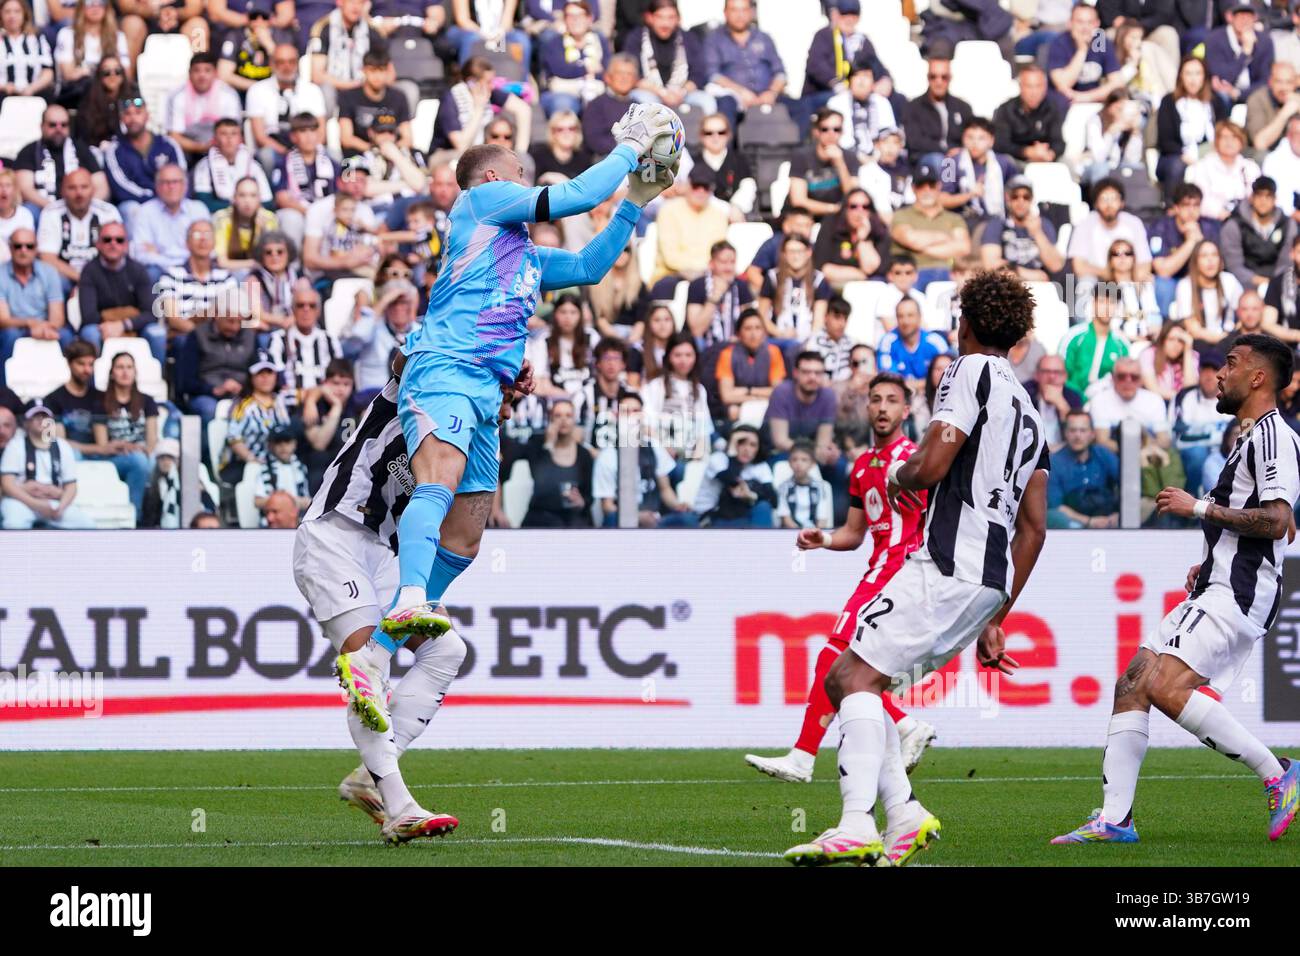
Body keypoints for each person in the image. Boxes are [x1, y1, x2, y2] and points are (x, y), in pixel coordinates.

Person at [374, 105, 680, 646]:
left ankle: (378, 652)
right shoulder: (478, 201)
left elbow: (589, 267)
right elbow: (573, 198)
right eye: (520, 170)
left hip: (487, 391)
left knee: (467, 535)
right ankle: (407, 599)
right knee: (438, 482)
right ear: (494, 176)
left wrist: (633, 201)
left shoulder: (528, 256)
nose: (526, 179)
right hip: (446, 367)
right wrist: (629, 147)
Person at [784, 269, 1048, 867]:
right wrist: (998, 614)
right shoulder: (1030, 412)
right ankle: (903, 815)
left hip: (947, 559)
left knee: (848, 679)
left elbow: (928, 466)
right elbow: (1035, 528)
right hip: (987, 581)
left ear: (973, 325)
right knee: (858, 679)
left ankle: (856, 823)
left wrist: (895, 474)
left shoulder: (968, 370)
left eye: (958, 319)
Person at [1055, 333, 1300, 846]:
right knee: (1133, 684)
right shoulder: (1250, 438)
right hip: (1218, 580)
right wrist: (1208, 556)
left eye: (1230, 365)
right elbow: (1278, 520)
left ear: (1258, 377)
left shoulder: (1275, 437)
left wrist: (1201, 508)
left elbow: (1278, 521)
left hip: (1236, 591)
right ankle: (1115, 820)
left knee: (1165, 686)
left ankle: (1278, 772)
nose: (1219, 374)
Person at [745, 373, 932, 794]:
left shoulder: (916, 460)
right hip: (876, 567)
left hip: (900, 569)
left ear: (906, 410)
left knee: (833, 657)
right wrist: (824, 539)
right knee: (850, 670)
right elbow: (854, 532)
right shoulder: (862, 465)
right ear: (866, 408)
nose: (882, 408)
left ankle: (805, 755)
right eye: (876, 400)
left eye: (892, 401)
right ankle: (904, 730)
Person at [76, 220, 164, 362]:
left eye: (119, 240)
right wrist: (116, 323)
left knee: (157, 333)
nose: (113, 243)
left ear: (126, 245)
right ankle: (91, 383)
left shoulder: (138, 270)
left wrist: (123, 325)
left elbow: (151, 314)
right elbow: (88, 316)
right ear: (98, 244)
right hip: (102, 327)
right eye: (107, 239)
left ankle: (160, 380)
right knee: (89, 333)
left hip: (133, 326)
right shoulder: (89, 271)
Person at [0, 399, 96, 528]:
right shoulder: (15, 445)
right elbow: (7, 485)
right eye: (36, 417)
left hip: (54, 502)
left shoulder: (63, 446)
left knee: (86, 524)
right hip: (22, 501)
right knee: (14, 523)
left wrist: (61, 506)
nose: (41, 420)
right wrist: (36, 504)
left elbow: (71, 486)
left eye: (45, 416)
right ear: (26, 422)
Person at [102, 95, 186, 232]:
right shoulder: (115, 149)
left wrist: (167, 197)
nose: (133, 118)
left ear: (147, 116)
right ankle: (139, 252)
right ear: (122, 119)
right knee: (132, 210)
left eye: (138, 112)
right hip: (137, 203)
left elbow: (182, 176)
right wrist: (154, 198)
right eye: (128, 114)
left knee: (194, 208)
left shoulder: (167, 144)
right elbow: (120, 188)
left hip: (170, 199)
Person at [91, 349, 156, 517]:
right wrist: (122, 446)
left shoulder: (147, 401)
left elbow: (152, 441)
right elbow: (102, 445)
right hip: (114, 458)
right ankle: (136, 515)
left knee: (150, 460)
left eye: (129, 367)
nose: (125, 372)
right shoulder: (100, 402)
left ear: (135, 372)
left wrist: (141, 450)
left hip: (142, 453)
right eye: (120, 367)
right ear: (112, 373)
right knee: (139, 461)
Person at [702, 0, 787, 128]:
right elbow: (712, 74)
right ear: (725, 13)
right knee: (726, 106)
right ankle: (728, 148)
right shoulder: (714, 39)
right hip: (734, 96)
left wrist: (772, 92)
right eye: (734, 10)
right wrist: (741, 92)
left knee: (801, 107)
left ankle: (797, 148)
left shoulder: (764, 38)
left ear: (751, 12)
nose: (739, 15)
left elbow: (780, 73)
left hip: (767, 94)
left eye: (744, 10)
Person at [1155, 55, 1229, 199]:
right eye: (1188, 73)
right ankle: (1172, 210)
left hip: (1210, 151)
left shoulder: (1216, 101)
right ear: (1181, 76)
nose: (1193, 79)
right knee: (1176, 166)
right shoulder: (1169, 101)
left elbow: (1223, 131)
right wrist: (1186, 156)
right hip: (1176, 154)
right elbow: (1165, 140)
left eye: (1197, 73)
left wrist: (1208, 153)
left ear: (1204, 77)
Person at [623, 0, 715, 116]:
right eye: (660, 17)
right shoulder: (635, 38)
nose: (665, 24)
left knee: (708, 101)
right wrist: (662, 93)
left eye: (671, 18)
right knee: (644, 101)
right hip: (650, 92)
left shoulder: (689, 38)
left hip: (683, 92)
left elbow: (699, 74)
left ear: (678, 19)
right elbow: (633, 74)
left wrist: (682, 92)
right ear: (649, 17)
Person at [431, 55, 532, 161]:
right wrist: (479, 108)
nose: (492, 86)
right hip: (446, 155)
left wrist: (520, 153)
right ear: (471, 83)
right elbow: (461, 145)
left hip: (478, 154)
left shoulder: (488, 92)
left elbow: (524, 110)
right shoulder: (450, 100)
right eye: (488, 82)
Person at [246, 44, 328, 171]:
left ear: (297, 64)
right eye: (281, 62)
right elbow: (260, 137)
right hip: (276, 150)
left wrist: (304, 153)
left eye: (291, 62)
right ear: (272, 64)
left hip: (307, 150)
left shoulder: (312, 90)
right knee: (266, 155)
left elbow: (321, 133)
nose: (287, 67)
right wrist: (288, 154)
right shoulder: (257, 90)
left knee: (333, 156)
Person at [889, 166, 971, 292]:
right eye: (921, 186)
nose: (927, 190)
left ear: (938, 187)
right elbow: (911, 239)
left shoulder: (954, 218)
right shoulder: (901, 215)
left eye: (931, 185)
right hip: (913, 274)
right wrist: (943, 237)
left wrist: (921, 248)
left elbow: (963, 248)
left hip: (948, 273)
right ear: (913, 188)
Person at [13, 104, 108, 212]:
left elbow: (101, 185)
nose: (59, 129)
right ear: (42, 126)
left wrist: (85, 206)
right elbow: (25, 189)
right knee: (29, 210)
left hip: (80, 209)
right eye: (53, 125)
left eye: (64, 125)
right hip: (43, 208)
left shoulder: (81, 149)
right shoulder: (29, 151)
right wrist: (55, 210)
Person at [0, 228, 69, 372]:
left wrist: (43, 328)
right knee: (9, 335)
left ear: (36, 249)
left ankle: (75, 390)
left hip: (45, 327)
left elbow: (57, 318)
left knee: (67, 337)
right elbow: (3, 320)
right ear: (10, 248)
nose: (23, 250)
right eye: (18, 246)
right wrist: (30, 325)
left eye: (29, 246)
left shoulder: (49, 272)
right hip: (14, 328)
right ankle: (2, 389)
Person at [1149, 181, 1222, 315]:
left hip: (1201, 279)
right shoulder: (1161, 227)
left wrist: (1200, 242)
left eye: (1196, 205)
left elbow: (1216, 266)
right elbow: (1162, 270)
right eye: (1186, 205)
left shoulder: (1210, 227)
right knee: (1162, 285)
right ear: (1176, 208)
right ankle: (1166, 329)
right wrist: (1191, 242)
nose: (1191, 211)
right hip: (1172, 280)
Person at [129, 164, 212, 276]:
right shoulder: (145, 211)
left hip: (194, 268)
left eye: (176, 182)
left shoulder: (198, 209)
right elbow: (141, 254)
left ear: (185, 186)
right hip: (161, 270)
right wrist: (173, 265)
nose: (171, 186)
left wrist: (159, 254)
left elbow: (208, 246)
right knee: (150, 273)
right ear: (157, 187)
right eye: (165, 182)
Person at [652, 163, 729, 283]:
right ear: (687, 185)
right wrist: (701, 268)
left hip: (708, 274)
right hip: (671, 274)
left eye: (706, 187)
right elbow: (670, 257)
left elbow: (718, 253)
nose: (701, 191)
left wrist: (704, 271)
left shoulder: (719, 215)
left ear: (711, 190)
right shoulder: (669, 210)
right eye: (696, 186)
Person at [978, 176, 1063, 281]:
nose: (1020, 201)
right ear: (1007, 198)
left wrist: (1037, 233)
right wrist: (1020, 272)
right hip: (1007, 284)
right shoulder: (997, 224)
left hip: (1039, 287)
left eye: (1026, 197)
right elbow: (990, 265)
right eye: (1015, 196)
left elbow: (1056, 266)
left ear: (1031, 199)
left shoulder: (1043, 224)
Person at [1068, 177, 1153, 283]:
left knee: (1148, 281)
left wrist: (1131, 278)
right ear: (1095, 204)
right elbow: (1079, 267)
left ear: (1122, 202)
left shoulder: (1134, 223)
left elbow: (1145, 263)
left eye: (1113, 199)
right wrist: (1109, 274)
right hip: (1097, 280)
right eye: (1104, 199)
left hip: (1129, 279)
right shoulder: (1084, 225)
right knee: (1086, 282)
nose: (1109, 205)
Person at [271, 114, 337, 249]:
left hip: (326, 214)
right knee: (291, 219)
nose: (309, 136)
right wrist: (310, 212)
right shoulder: (284, 162)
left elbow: (340, 195)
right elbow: (281, 198)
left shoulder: (331, 163)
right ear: (293, 136)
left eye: (312, 131)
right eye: (303, 131)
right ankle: (292, 267)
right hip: (299, 212)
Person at [1220, 175, 1296, 292]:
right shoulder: (1234, 225)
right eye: (1259, 195)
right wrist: (1257, 281)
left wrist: (1272, 284)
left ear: (1275, 199)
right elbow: (1234, 264)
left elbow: (1287, 262)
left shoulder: (1288, 225)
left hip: (1278, 285)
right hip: (1241, 285)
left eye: (1268, 196)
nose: (1263, 201)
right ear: (1251, 198)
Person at [1047, 409, 1120, 529]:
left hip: (1109, 518)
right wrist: (1089, 521)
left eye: (1083, 430)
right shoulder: (1054, 462)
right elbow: (1056, 506)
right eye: (1072, 430)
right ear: (1065, 433)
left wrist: (1119, 515)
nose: (1078, 435)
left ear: (1092, 434)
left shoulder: (1104, 454)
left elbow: (1127, 487)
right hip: (1074, 523)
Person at [693, 423, 776, 527]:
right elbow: (731, 479)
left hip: (741, 514)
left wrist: (752, 496)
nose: (747, 449)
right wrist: (732, 452)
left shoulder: (760, 466)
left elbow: (773, 498)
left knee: (763, 507)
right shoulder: (718, 459)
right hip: (710, 515)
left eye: (752, 445)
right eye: (741, 443)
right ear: (732, 443)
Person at [1172, 351, 1232, 494]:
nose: (1209, 376)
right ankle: (1193, 499)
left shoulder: (1232, 398)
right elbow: (1179, 439)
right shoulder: (1185, 397)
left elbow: (1236, 437)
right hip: (1192, 457)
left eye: (1214, 370)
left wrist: (1201, 433)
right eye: (1205, 370)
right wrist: (1216, 435)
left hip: (1224, 455)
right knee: (1198, 454)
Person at [939, 118, 1018, 227]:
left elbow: (1017, 193)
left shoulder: (1004, 163)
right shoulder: (949, 163)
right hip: (960, 222)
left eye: (981, 138)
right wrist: (970, 195)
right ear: (963, 138)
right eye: (970, 137)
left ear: (991, 141)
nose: (975, 143)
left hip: (996, 221)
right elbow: (942, 200)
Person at [764, 350, 838, 467]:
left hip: (810, 453)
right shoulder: (781, 392)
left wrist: (824, 453)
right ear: (795, 373)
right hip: (778, 452)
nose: (812, 377)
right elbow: (780, 441)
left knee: (837, 464)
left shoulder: (828, 395)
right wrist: (812, 452)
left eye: (818, 373)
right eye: (806, 372)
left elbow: (823, 441)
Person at [712, 307, 786, 423]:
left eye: (758, 328)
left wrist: (748, 391)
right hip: (738, 407)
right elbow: (726, 396)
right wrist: (761, 395)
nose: (753, 334)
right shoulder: (727, 354)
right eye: (748, 328)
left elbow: (778, 392)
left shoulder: (773, 351)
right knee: (732, 411)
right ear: (738, 333)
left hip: (766, 405)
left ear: (764, 332)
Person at [165, 51, 242, 161]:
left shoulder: (229, 95)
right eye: (197, 70)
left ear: (215, 73)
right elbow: (174, 137)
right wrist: (202, 147)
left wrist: (216, 147)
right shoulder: (177, 96)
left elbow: (234, 132)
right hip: (188, 150)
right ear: (189, 73)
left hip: (221, 147)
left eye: (207, 70)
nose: (202, 75)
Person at [53, 0, 130, 109]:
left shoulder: (118, 37)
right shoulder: (67, 34)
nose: (95, 7)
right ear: (81, 7)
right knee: (88, 84)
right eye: (90, 3)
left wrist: (86, 70)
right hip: (76, 94)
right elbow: (68, 74)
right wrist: (104, 73)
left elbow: (125, 73)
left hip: (110, 92)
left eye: (100, 3)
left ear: (106, 8)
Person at [538, 0, 609, 117]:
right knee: (563, 104)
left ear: (589, 18)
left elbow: (607, 72)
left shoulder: (600, 40)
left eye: (580, 15)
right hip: (563, 92)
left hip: (594, 90)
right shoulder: (554, 42)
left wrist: (592, 74)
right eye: (571, 16)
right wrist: (587, 68)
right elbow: (560, 70)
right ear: (565, 20)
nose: (575, 20)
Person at [1086, 356, 1171, 452]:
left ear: (1141, 380)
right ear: (1113, 378)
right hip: (1113, 454)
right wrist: (1133, 452)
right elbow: (1102, 441)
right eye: (1122, 376)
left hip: (1148, 453)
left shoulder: (1155, 400)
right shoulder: (1099, 400)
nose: (1128, 381)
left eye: (1134, 377)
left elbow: (1164, 440)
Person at [338, 47, 412, 157]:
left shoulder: (399, 97)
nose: (377, 76)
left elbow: (408, 139)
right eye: (372, 70)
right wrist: (374, 150)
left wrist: (391, 151)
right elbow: (346, 139)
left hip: (393, 156)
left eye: (381, 70)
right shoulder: (348, 97)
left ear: (387, 71)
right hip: (359, 156)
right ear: (363, 70)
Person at [1046, 2, 1123, 107]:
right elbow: (1063, 84)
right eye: (1080, 22)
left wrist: (1084, 97)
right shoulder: (1059, 43)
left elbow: (1117, 84)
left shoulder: (1102, 42)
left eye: (1090, 22)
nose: (1085, 28)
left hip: (1095, 102)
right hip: (1066, 105)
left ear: (1097, 24)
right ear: (1070, 23)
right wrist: (1082, 50)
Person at [901, 54, 972, 165]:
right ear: (927, 78)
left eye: (944, 77)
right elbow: (914, 141)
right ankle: (949, 182)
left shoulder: (963, 107)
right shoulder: (913, 107)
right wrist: (946, 150)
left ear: (950, 78)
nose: (939, 82)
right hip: (926, 160)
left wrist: (961, 152)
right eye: (933, 76)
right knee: (942, 162)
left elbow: (972, 135)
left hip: (959, 158)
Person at [1173, 239, 1245, 347]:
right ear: (1195, 261)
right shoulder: (1185, 285)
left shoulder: (1229, 280)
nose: (1210, 260)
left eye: (1214, 255)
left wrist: (1233, 336)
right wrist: (1224, 339)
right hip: (1200, 344)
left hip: (1230, 341)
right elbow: (1194, 330)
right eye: (1204, 256)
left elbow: (1244, 315)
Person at [827, 55, 896, 168]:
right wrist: (856, 157)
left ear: (874, 82)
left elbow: (889, 136)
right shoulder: (836, 103)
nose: (861, 81)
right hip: (847, 162)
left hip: (879, 162)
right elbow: (834, 139)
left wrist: (876, 156)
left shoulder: (882, 103)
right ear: (849, 80)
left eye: (866, 76)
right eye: (857, 76)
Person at [192, 119, 273, 213]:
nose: (229, 138)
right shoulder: (204, 166)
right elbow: (204, 203)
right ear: (215, 139)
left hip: (250, 217)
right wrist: (239, 206)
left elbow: (267, 202)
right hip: (219, 217)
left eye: (234, 134)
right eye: (223, 134)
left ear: (241, 139)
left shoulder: (253, 165)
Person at [814, 187, 887, 290]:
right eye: (853, 206)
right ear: (845, 209)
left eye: (865, 207)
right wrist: (860, 275)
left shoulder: (879, 232)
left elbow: (871, 269)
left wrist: (862, 239)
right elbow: (823, 268)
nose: (859, 212)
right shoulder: (830, 225)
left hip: (867, 289)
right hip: (834, 288)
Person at [686, 113, 755, 222]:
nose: (715, 137)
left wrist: (736, 207)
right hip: (700, 219)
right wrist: (726, 210)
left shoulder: (740, 160)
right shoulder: (692, 162)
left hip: (736, 218)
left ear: (728, 134)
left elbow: (748, 187)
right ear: (701, 136)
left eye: (721, 132)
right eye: (709, 133)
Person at [1186, 120, 1261, 221]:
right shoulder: (1203, 166)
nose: (1229, 142)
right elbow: (1200, 200)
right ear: (1217, 141)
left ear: (1241, 142)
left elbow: (1258, 197)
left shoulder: (1251, 168)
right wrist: (1222, 214)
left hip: (1245, 221)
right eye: (1224, 137)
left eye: (1234, 137)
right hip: (1213, 220)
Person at [993, 64, 1066, 166]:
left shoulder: (1052, 108)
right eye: (1029, 86)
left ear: (1045, 87)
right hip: (1017, 161)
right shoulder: (1006, 109)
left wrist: (1050, 154)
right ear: (1020, 86)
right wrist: (1027, 152)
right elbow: (1000, 145)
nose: (1034, 92)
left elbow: (1058, 142)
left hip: (1046, 159)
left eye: (1038, 86)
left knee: (1067, 164)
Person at [1205, 0, 1274, 106]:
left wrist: (1239, 93)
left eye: (1248, 16)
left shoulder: (1264, 41)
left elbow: (1265, 80)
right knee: (1221, 96)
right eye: (1240, 15)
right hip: (1224, 95)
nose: (1244, 20)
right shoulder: (1215, 39)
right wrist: (1245, 53)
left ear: (1255, 19)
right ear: (1231, 18)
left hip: (1252, 93)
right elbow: (1222, 79)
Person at [877, 297, 950, 389]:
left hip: (932, 397)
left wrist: (912, 385)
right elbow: (888, 380)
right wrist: (926, 383)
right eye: (900, 316)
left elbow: (947, 378)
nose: (905, 321)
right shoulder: (887, 342)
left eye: (910, 315)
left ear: (919, 317)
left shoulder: (936, 341)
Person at [1082, 88, 1148, 187]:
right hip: (1093, 167)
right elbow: (1098, 158)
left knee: (1138, 168)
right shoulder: (1095, 122)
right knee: (1101, 169)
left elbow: (1132, 160)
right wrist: (1111, 133)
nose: (1121, 112)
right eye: (1119, 108)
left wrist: (1135, 134)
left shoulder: (1127, 125)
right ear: (1109, 106)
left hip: (1118, 167)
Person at [1023, 353, 1083, 451]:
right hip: (1032, 456)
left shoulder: (1073, 397)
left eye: (1057, 372)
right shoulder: (1025, 393)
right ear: (1037, 375)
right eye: (1046, 371)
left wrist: (1063, 406)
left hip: (1063, 456)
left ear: (1065, 376)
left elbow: (1079, 438)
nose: (1051, 377)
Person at [0, 0, 53, 103]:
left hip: (34, 92)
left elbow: (48, 72)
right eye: (7, 11)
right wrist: (3, 86)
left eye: (17, 11)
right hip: (3, 94)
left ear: (24, 14)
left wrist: (32, 88)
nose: (12, 16)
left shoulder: (37, 39)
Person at [1246, 61, 1299, 160]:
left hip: (1295, 154)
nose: (1284, 87)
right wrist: (1285, 113)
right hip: (1266, 155)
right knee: (1262, 156)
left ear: (1295, 83)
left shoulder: (1297, 97)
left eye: (1289, 82)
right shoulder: (1257, 99)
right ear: (1270, 81)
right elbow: (1260, 143)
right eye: (1279, 81)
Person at [1140, 319, 1199, 403]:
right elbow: (1153, 389)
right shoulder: (1149, 354)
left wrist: (1188, 349)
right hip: (1155, 404)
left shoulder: (1190, 355)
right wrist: (1181, 397)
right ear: (1163, 340)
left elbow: (1190, 388)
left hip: (1181, 406)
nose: (1176, 345)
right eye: (1171, 339)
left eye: (1181, 341)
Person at [1263, 114, 1300, 218]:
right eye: (1298, 133)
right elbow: (1283, 207)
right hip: (1287, 223)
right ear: (1288, 135)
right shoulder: (1274, 161)